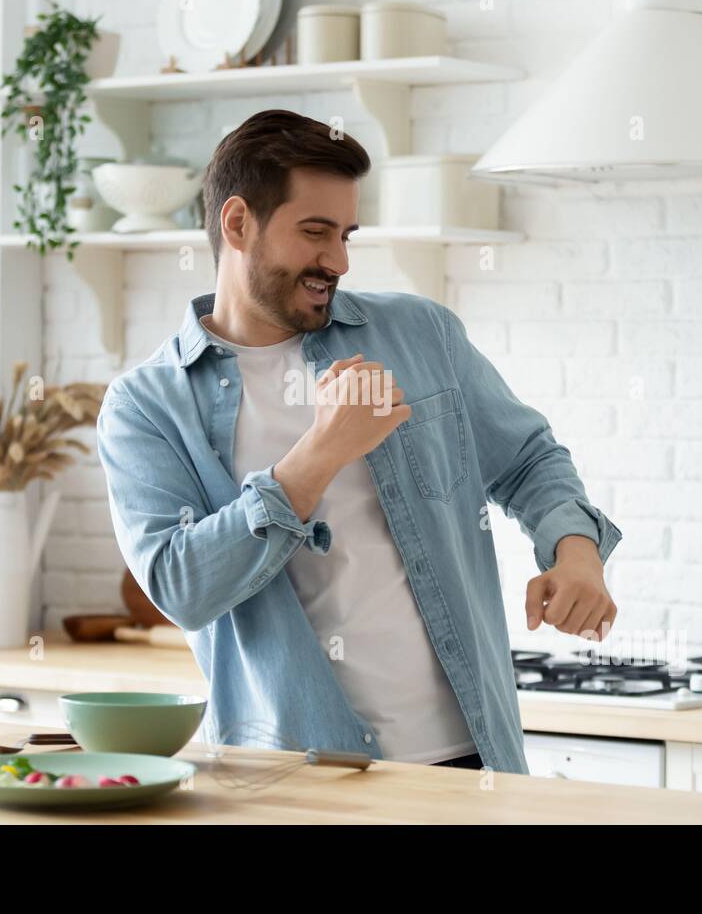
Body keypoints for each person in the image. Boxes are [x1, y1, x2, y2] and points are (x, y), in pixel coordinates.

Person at [96, 109, 621, 775]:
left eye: (346, 234)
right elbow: (181, 587)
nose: (338, 261)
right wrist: (320, 453)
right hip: (296, 775)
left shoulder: (420, 334)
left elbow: (528, 460)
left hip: (471, 762)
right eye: (315, 233)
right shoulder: (147, 405)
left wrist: (577, 554)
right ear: (237, 224)